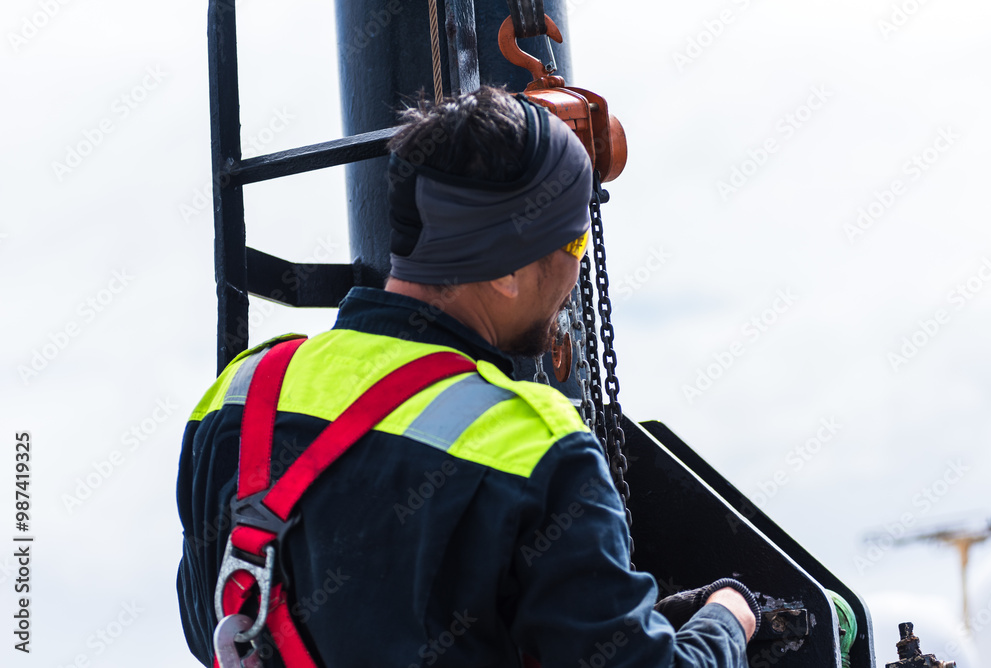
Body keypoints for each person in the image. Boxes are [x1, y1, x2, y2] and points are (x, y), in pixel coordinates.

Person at [176, 85, 757, 667]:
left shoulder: (243, 392)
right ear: (508, 269)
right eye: (575, 241)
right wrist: (728, 619)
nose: (576, 273)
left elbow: (211, 627)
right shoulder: (535, 447)